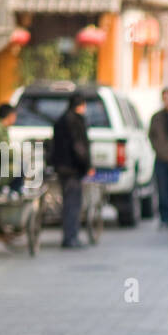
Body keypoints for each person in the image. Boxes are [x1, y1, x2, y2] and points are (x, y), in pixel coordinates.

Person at [49, 91, 94, 248]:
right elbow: (80, 147)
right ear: (81, 106)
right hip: (73, 168)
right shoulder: (76, 121)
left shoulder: (61, 120)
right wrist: (87, 166)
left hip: (61, 167)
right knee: (73, 204)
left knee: (69, 202)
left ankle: (70, 236)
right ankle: (70, 238)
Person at [148, 87, 168, 229]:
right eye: (164, 98)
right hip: (161, 158)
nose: (166, 101)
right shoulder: (156, 117)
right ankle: (165, 217)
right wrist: (158, 148)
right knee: (162, 189)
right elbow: (151, 136)